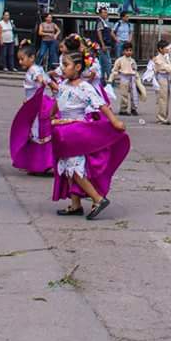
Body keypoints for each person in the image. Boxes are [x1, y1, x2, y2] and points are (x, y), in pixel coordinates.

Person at [48, 50, 128, 220]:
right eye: (62, 64)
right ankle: (75, 204)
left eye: (66, 65)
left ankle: (98, 199)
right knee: (67, 168)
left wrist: (114, 122)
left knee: (75, 168)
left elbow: (101, 105)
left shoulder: (85, 87)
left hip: (76, 131)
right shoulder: (63, 85)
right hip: (63, 132)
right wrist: (52, 114)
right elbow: (58, 101)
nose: (63, 68)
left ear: (77, 67)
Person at [8, 44, 54, 174]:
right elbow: (48, 81)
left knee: (36, 133)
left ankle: (40, 163)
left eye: (22, 59)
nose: (20, 62)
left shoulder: (34, 70)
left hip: (37, 106)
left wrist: (43, 83)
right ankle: (35, 163)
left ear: (32, 58)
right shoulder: (36, 68)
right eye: (19, 59)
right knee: (32, 133)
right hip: (32, 104)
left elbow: (41, 79)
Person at [109, 43, 140, 116]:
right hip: (124, 78)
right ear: (123, 51)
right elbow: (115, 69)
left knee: (134, 94)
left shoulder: (132, 60)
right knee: (124, 94)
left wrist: (137, 77)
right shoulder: (120, 60)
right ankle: (123, 109)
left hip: (132, 78)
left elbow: (135, 69)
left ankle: (133, 109)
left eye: (130, 50)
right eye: (127, 50)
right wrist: (112, 77)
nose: (129, 52)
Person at [149, 39, 171, 125]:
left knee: (166, 98)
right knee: (162, 98)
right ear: (160, 49)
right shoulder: (157, 58)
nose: (167, 49)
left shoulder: (165, 57)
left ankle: (164, 116)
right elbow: (164, 67)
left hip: (166, 78)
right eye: (165, 48)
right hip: (161, 78)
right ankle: (161, 118)